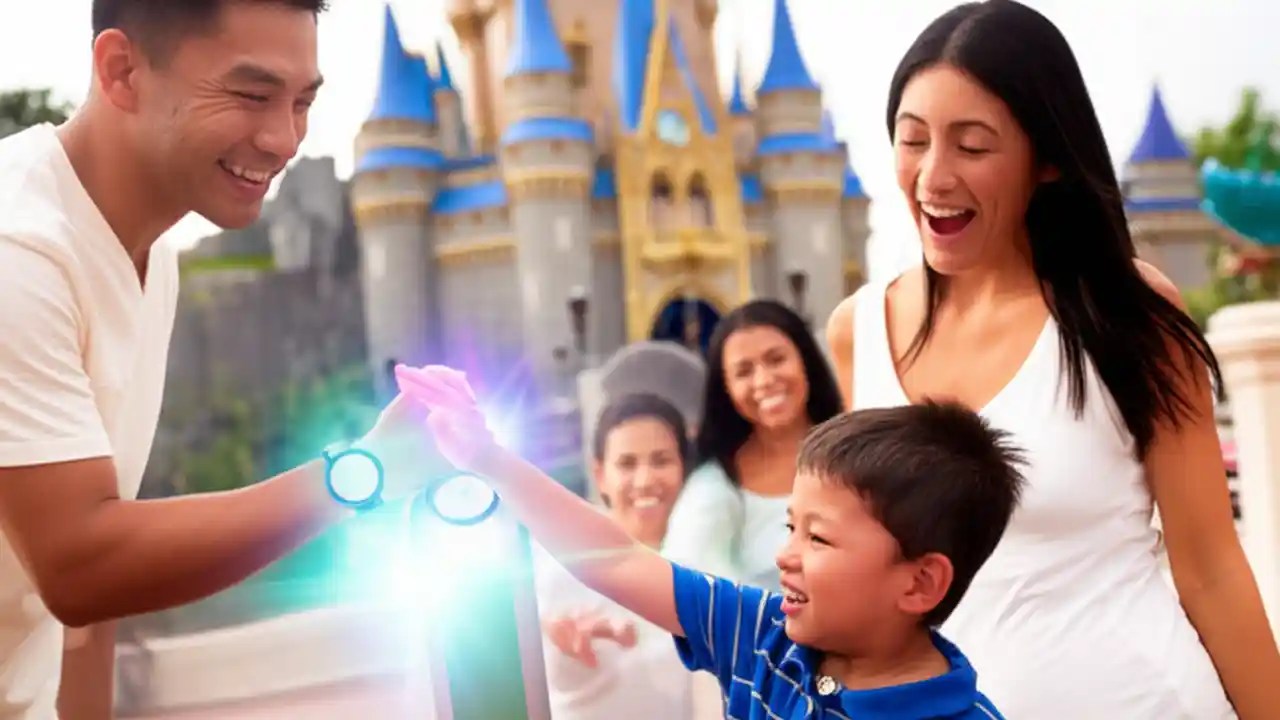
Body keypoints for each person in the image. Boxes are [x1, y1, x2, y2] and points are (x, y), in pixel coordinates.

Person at [824, 1, 1280, 717]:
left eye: (972, 146)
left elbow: (1212, 569)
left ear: (1047, 162)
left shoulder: (1126, 312)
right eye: (912, 141)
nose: (933, 176)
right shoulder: (861, 331)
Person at [0, 3, 450, 719]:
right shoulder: (19, 253)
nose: (284, 138)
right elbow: (81, 564)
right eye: (251, 95)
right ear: (121, 71)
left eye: (303, 102)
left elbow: (95, 602)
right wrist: (364, 472)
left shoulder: (149, 252)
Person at [394, 364, 1027, 720]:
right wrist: (488, 458)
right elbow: (615, 557)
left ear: (920, 582)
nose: (786, 556)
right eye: (789, 527)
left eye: (818, 538)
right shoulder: (762, 635)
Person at [663, 300, 843, 591]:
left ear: (805, 360)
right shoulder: (714, 487)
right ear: (726, 389)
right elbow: (689, 589)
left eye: (776, 359)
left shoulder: (861, 455)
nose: (765, 380)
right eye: (743, 371)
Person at [535, 393, 695, 719]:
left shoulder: (702, 560)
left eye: (661, 460)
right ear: (600, 476)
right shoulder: (563, 568)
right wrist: (556, 640)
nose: (645, 480)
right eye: (627, 464)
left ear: (684, 467)